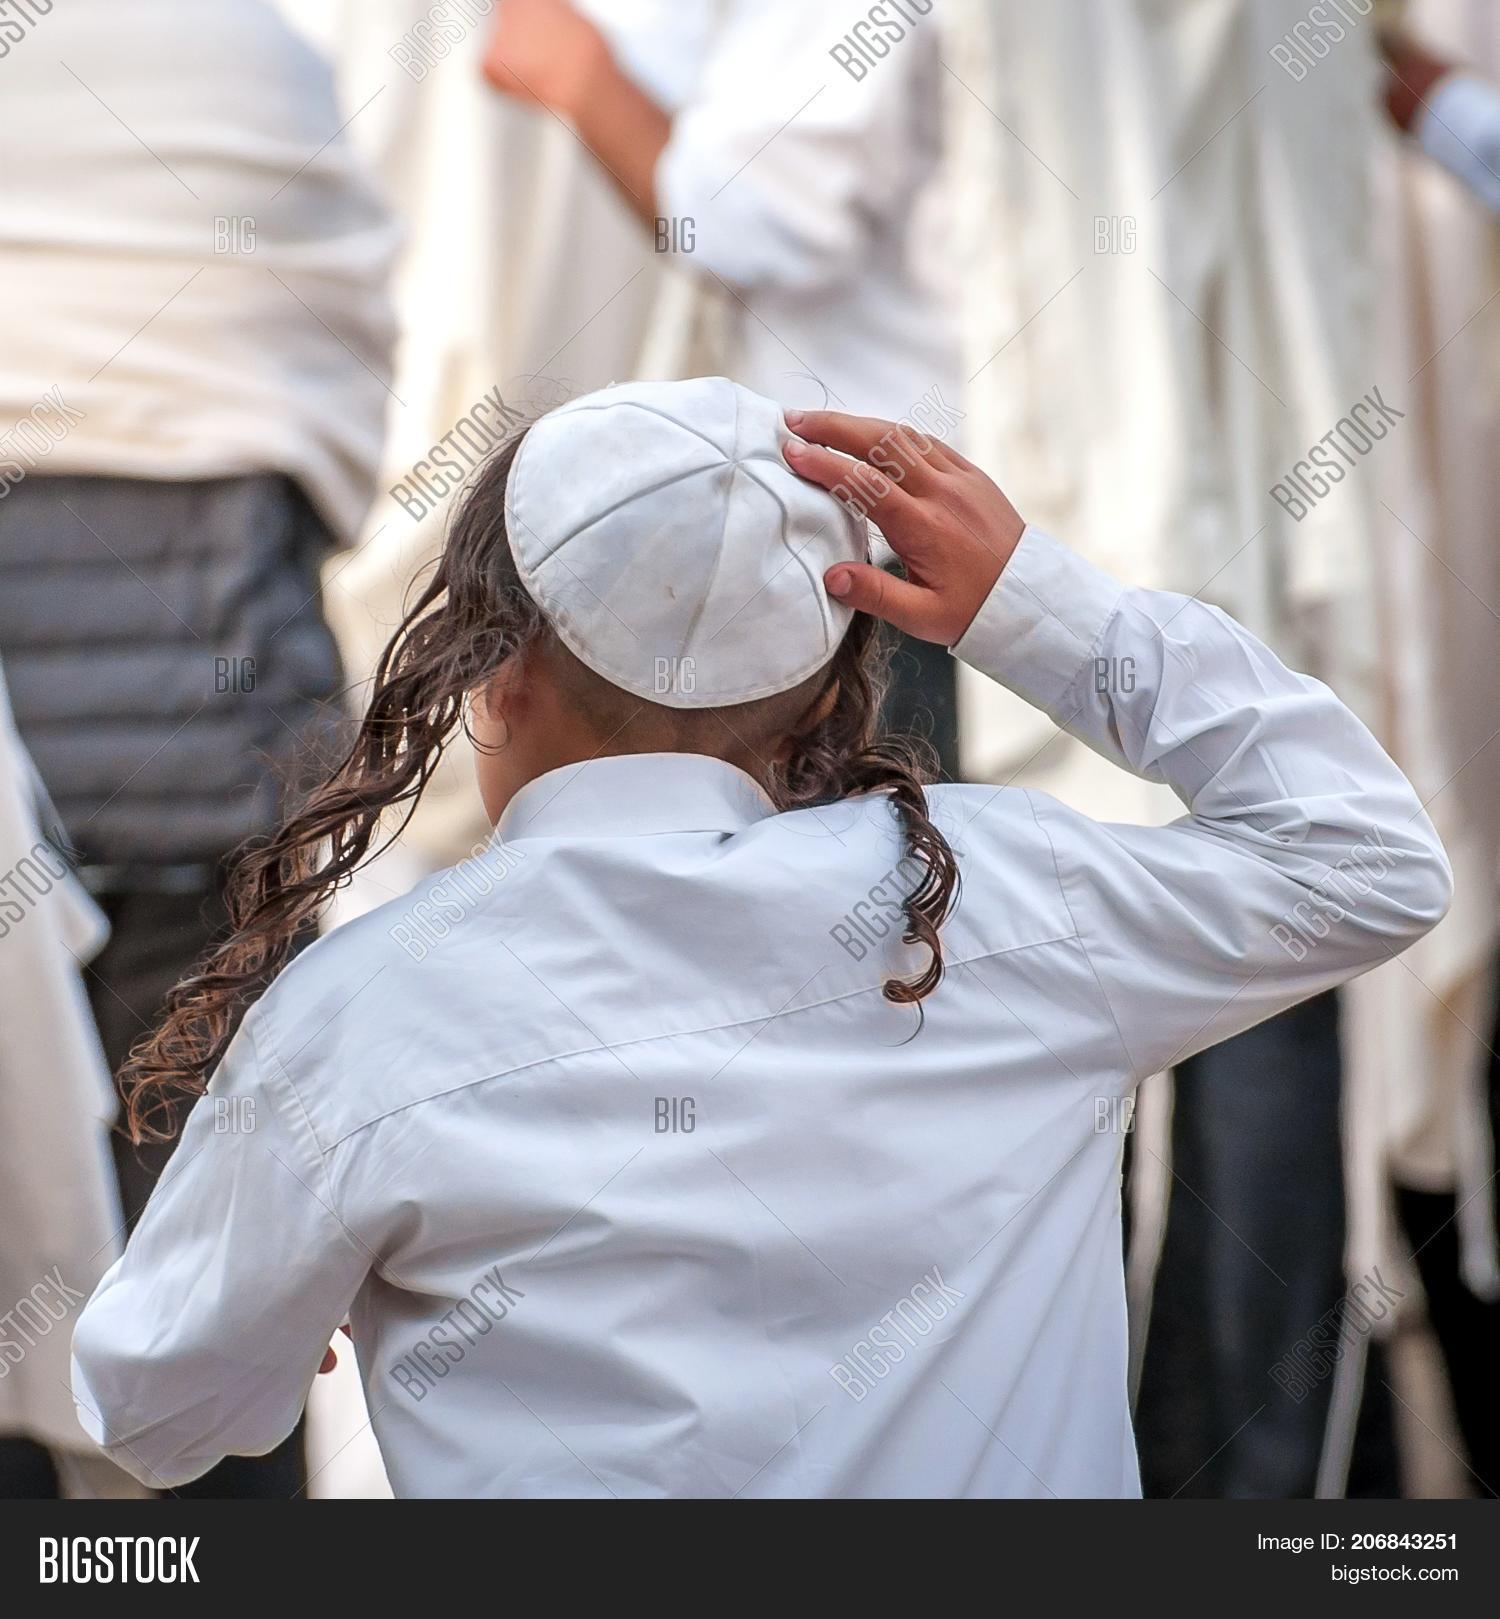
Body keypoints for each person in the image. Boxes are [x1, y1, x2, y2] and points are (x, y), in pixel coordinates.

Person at [70, 378, 1450, 1497]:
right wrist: (1033, 607)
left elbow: (152, 1411)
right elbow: (1369, 857)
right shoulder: (1007, 901)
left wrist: (281, 1311)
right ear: (832, 693)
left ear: (492, 672)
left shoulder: (359, 1016)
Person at [0, 0, 397, 1497]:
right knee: (221, 1284)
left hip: (27, 771)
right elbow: (341, 370)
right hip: (221, 787)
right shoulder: (262, 56)